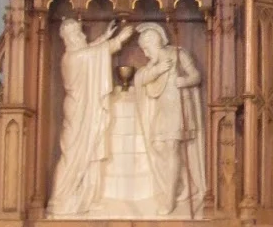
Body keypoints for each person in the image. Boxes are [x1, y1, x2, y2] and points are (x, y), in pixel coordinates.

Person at [48, 18, 133, 216]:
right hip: (79, 112)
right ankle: (60, 198)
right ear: (69, 38)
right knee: (72, 156)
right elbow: (95, 54)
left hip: (83, 109)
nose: (83, 36)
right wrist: (120, 38)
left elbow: (92, 52)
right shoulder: (74, 58)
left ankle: (85, 196)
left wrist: (104, 36)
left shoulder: (76, 55)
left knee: (85, 152)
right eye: (78, 33)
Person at [132, 24, 205, 216]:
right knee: (159, 147)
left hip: (178, 109)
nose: (146, 54)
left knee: (172, 148)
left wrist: (185, 81)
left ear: (154, 42)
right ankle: (185, 185)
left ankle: (169, 199)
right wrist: (157, 70)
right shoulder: (153, 65)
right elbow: (141, 79)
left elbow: (196, 76)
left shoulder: (178, 54)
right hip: (162, 111)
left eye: (146, 49)